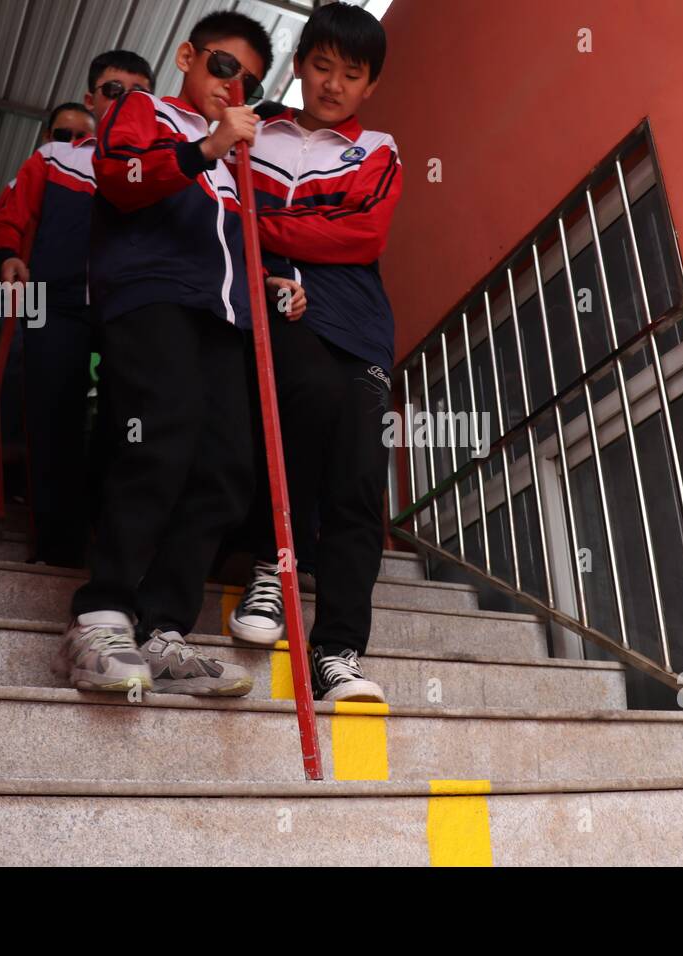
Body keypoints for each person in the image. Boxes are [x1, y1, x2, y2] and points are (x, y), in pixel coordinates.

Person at [56, 12, 284, 696]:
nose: (232, 84)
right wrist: (206, 146)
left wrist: (269, 283)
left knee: (226, 467)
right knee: (160, 438)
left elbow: (233, 241)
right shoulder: (144, 109)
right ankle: (100, 615)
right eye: (221, 66)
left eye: (247, 79)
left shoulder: (238, 156)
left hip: (224, 318)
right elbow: (121, 179)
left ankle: (162, 629)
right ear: (187, 55)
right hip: (150, 296)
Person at [226, 2, 401, 703]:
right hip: (275, 310)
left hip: (358, 325)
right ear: (298, 64)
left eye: (350, 74)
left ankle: (339, 653)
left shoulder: (379, 149)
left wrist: (265, 226)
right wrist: (297, 229)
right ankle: (272, 570)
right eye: (321, 66)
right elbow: (222, 207)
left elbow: (364, 238)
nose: (332, 84)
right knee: (298, 422)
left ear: (369, 87)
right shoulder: (255, 130)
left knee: (358, 483)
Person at [0, 51, 155, 567]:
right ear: (92, 99)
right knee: (51, 413)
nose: (125, 100)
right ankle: (57, 544)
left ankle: (112, 537)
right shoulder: (54, 158)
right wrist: (8, 256)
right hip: (52, 301)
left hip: (129, 306)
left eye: (138, 91)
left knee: (130, 420)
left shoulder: (163, 161)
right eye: (112, 90)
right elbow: (10, 217)